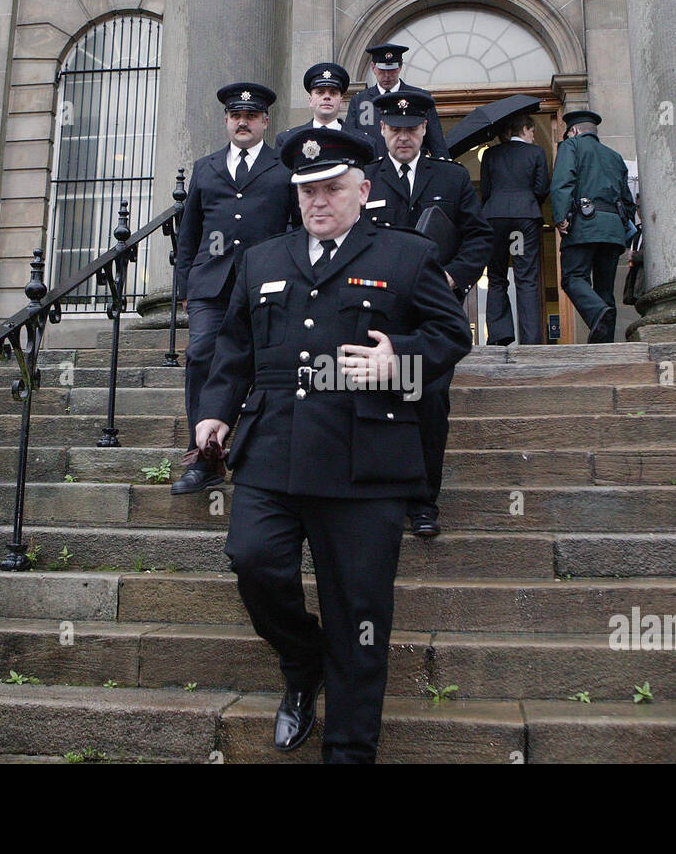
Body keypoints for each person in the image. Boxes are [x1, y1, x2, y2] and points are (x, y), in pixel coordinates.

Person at [194, 128, 471, 763]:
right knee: (252, 559)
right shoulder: (262, 258)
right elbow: (234, 348)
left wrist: (397, 361)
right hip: (272, 448)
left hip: (365, 458)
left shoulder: (405, 255)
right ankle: (302, 660)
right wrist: (214, 414)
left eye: (331, 188)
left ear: (362, 190)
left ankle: (349, 750)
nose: (318, 201)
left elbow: (452, 336)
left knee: (359, 613)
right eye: (307, 190)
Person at [362, 89, 492, 537]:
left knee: (430, 406)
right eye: (394, 129)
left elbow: (479, 236)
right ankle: (382, 494)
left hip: (433, 315)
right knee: (379, 403)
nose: (403, 137)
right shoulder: (366, 179)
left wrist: (454, 279)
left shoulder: (451, 179)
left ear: (423, 131)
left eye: (411, 129)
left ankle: (422, 504)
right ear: (382, 131)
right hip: (378, 312)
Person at [171, 82, 298, 495]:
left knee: (262, 364)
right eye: (234, 116)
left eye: (250, 116)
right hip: (211, 282)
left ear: (265, 121)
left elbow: (296, 228)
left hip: (265, 282)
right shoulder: (206, 167)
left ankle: (253, 453)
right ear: (226, 121)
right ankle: (202, 455)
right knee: (201, 354)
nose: (242, 122)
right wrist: (184, 286)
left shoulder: (284, 167)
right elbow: (188, 233)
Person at [550, 109, 636, 344]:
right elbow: (628, 200)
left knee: (573, 278)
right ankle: (604, 346)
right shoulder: (614, 156)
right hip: (613, 230)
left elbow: (562, 183)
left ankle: (597, 313)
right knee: (605, 291)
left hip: (583, 225)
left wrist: (560, 216)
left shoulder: (571, 146)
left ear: (574, 131)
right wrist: (621, 229)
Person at [479, 114, 549, 345]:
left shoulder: (490, 154)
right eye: (532, 131)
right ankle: (531, 339)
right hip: (524, 218)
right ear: (525, 130)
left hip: (495, 217)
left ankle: (499, 335)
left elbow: (486, 191)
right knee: (526, 277)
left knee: (496, 277)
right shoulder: (536, 152)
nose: (533, 136)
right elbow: (541, 188)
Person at [344, 43, 447, 160]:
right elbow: (351, 142)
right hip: (372, 171)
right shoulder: (360, 101)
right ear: (373, 67)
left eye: (392, 70)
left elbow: (437, 143)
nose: (387, 75)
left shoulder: (419, 98)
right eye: (382, 71)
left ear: (400, 67)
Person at [274, 63, 371, 152]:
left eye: (333, 93)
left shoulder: (361, 141)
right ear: (310, 100)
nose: (327, 97)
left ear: (341, 101)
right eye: (320, 92)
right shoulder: (289, 140)